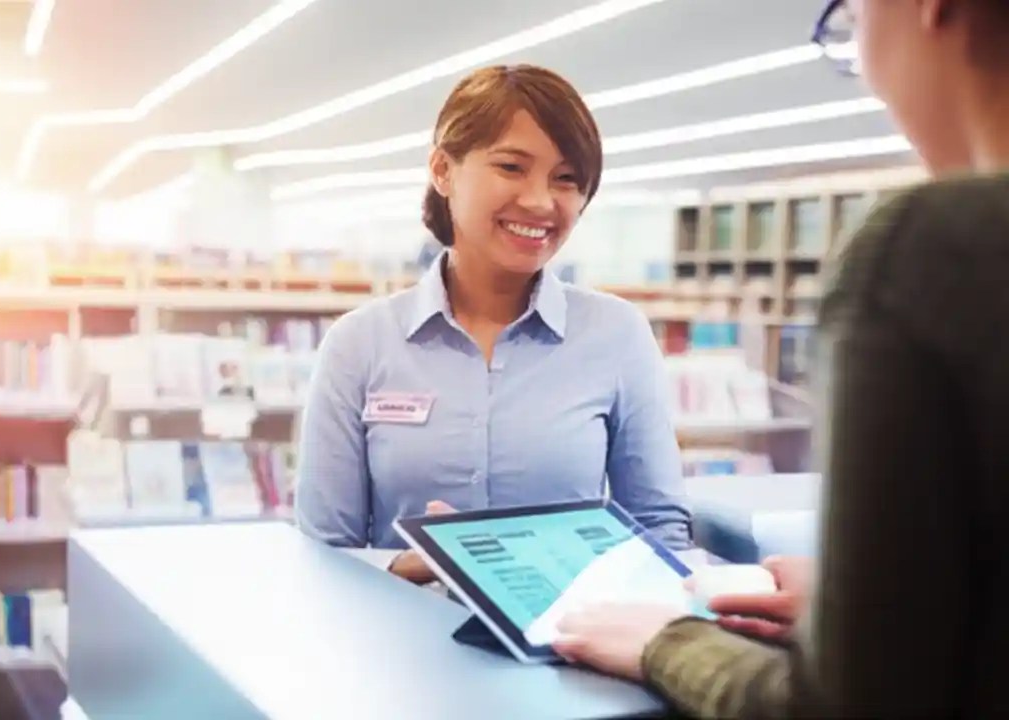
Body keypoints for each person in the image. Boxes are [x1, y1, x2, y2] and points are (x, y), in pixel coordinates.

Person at [551, 0, 1009, 716]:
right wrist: (864, 604)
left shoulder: (929, 254)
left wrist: (667, 642)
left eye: (852, 14)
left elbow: (841, 708)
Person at [294, 64, 692, 583]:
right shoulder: (360, 344)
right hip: (396, 646)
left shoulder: (616, 334)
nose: (540, 201)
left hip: (569, 645)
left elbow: (660, 529)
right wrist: (408, 566)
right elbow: (321, 548)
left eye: (566, 179)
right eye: (511, 167)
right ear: (443, 170)